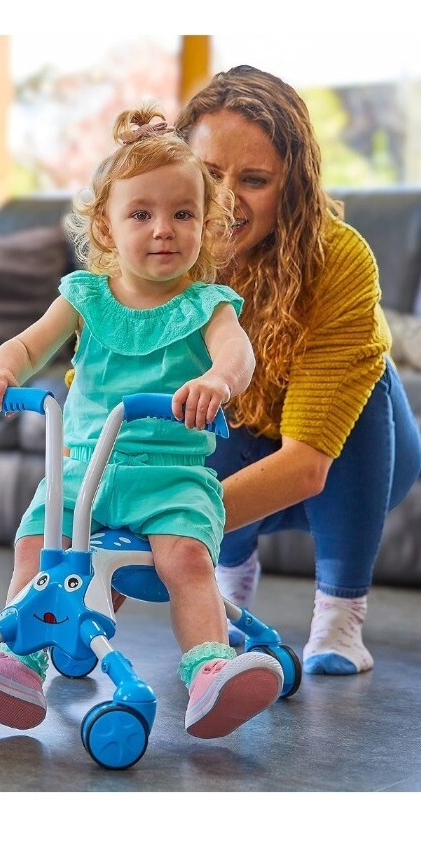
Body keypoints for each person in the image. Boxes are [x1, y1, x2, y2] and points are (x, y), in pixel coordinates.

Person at [0, 104, 286, 739]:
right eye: (141, 214)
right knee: (36, 547)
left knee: (188, 561)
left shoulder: (207, 304)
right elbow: (27, 346)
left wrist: (215, 382)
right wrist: (0, 374)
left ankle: (208, 671)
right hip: (82, 470)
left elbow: (237, 355)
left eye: (182, 214)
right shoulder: (84, 295)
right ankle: (18, 663)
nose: (163, 230)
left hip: (168, 474)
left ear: (206, 224)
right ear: (108, 229)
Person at [174, 65, 421, 675]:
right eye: (208, 175)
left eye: (254, 180)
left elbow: (308, 462)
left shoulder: (339, 258)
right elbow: (108, 386)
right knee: (199, 405)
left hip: (350, 466)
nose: (224, 200)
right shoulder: (162, 248)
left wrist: (174, 527)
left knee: (369, 380)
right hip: (244, 457)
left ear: (292, 188)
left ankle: (340, 619)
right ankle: (224, 593)